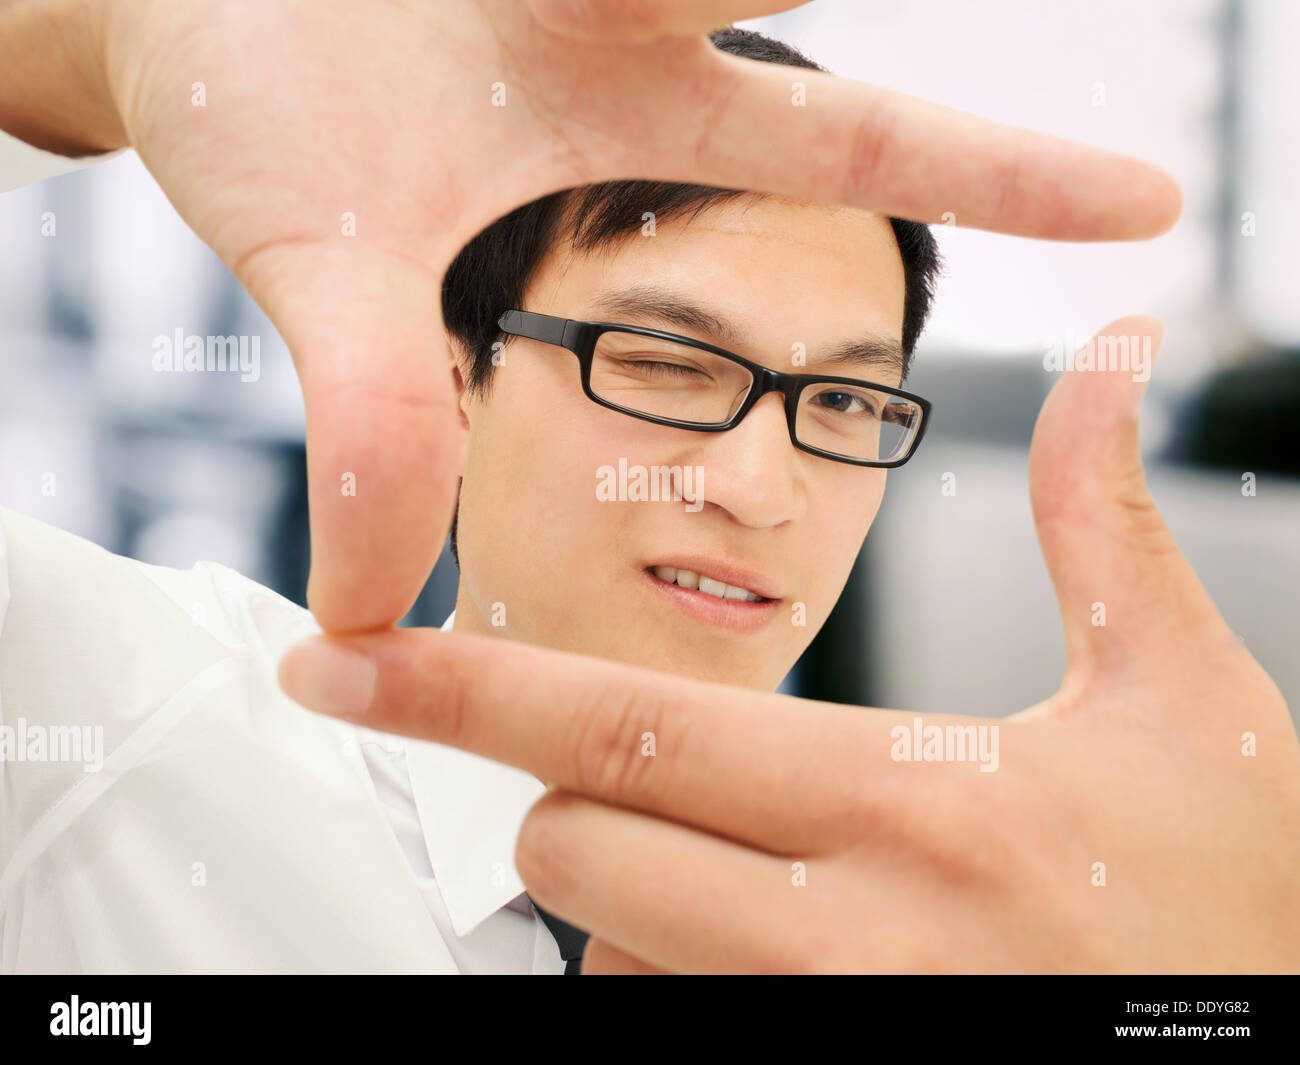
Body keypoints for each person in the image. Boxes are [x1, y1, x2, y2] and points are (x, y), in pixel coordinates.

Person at [0, 25, 940, 974]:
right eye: (664, 364)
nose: (758, 490)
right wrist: (114, 41)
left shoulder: (927, 928)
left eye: (846, 401)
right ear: (455, 374)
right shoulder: (127, 722)